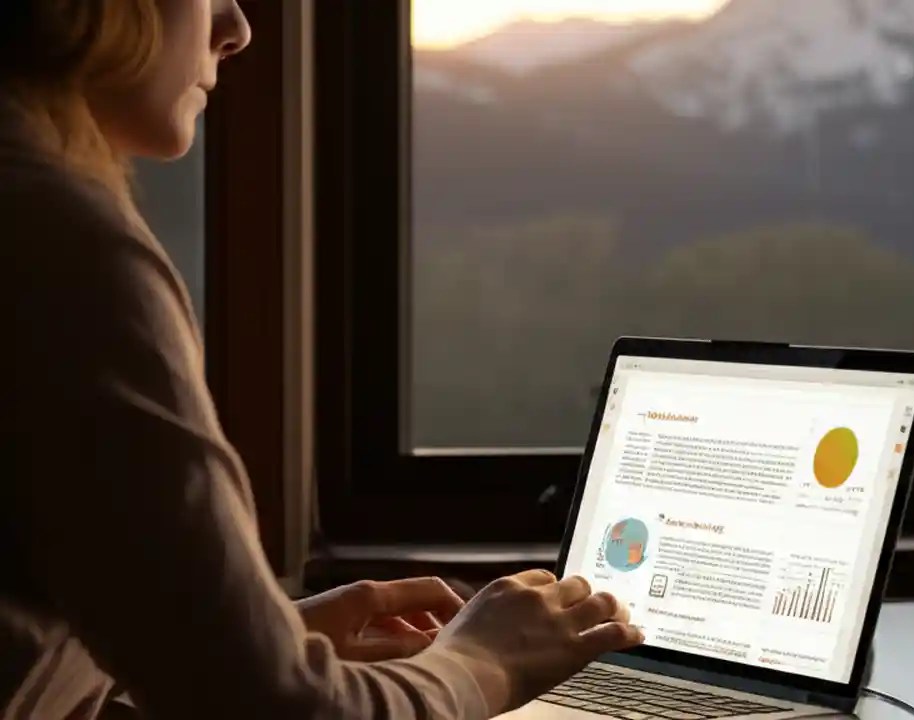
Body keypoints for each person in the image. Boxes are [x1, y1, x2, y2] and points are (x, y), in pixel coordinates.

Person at [0, 1, 643, 718]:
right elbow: (278, 710)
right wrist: (483, 663)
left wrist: (265, 637)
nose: (237, 29)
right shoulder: (62, 250)